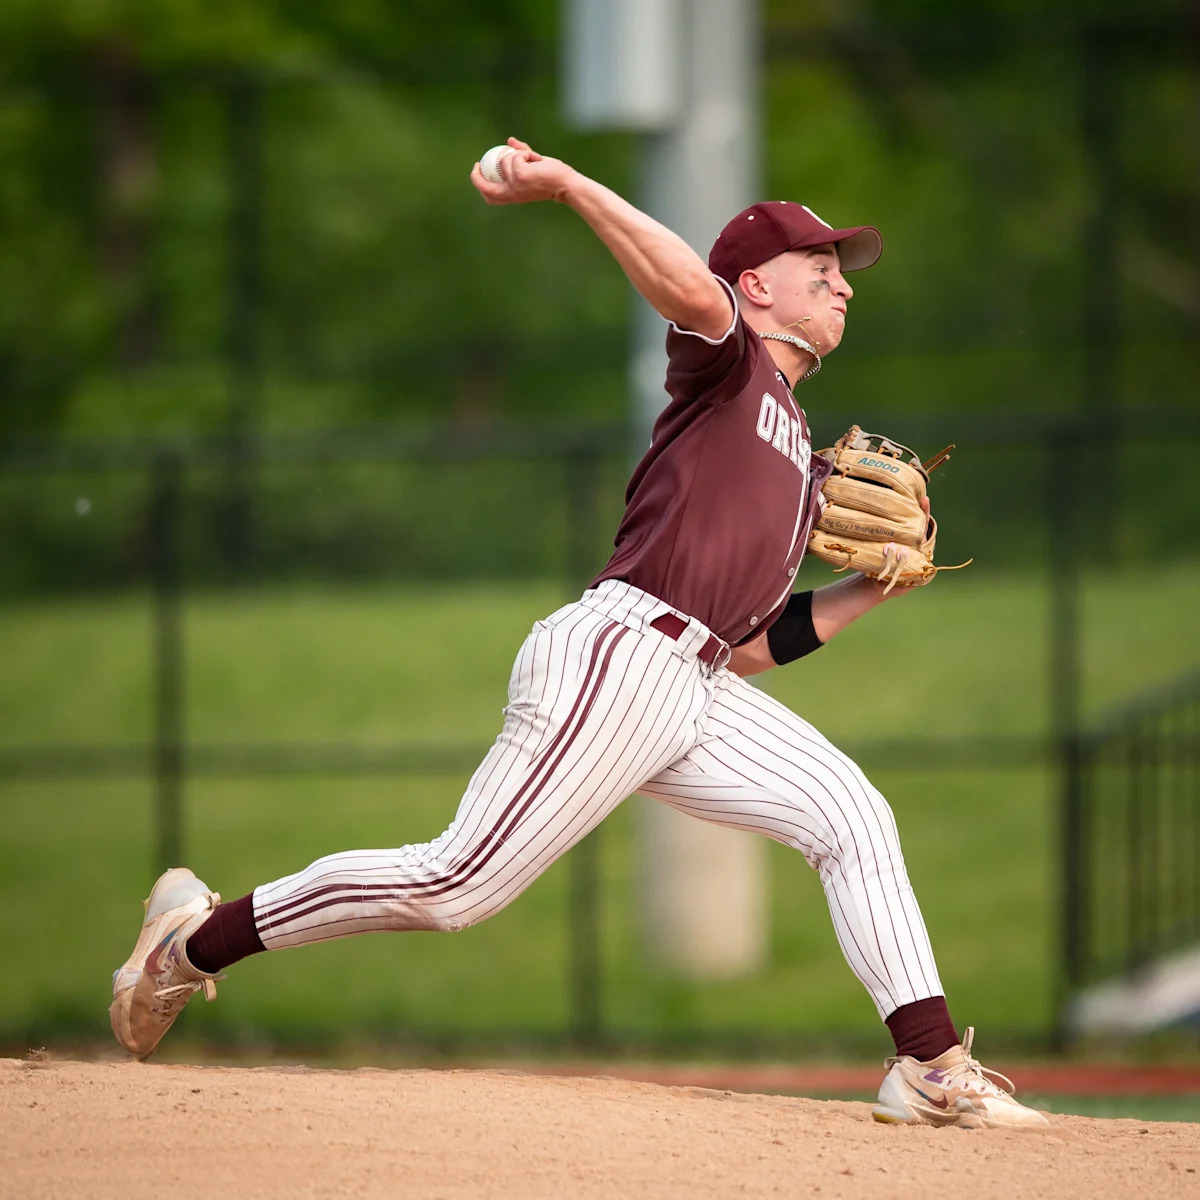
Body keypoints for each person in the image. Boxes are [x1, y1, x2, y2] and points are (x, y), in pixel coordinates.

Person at [110, 138, 1046, 1130]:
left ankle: (931, 1068)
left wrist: (866, 596)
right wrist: (565, 184)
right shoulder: (729, 366)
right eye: (821, 270)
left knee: (852, 816)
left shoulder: (798, 459)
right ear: (756, 286)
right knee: (456, 883)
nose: (842, 286)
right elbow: (685, 288)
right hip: (621, 653)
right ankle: (189, 941)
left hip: (694, 683)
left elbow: (752, 644)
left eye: (841, 274)